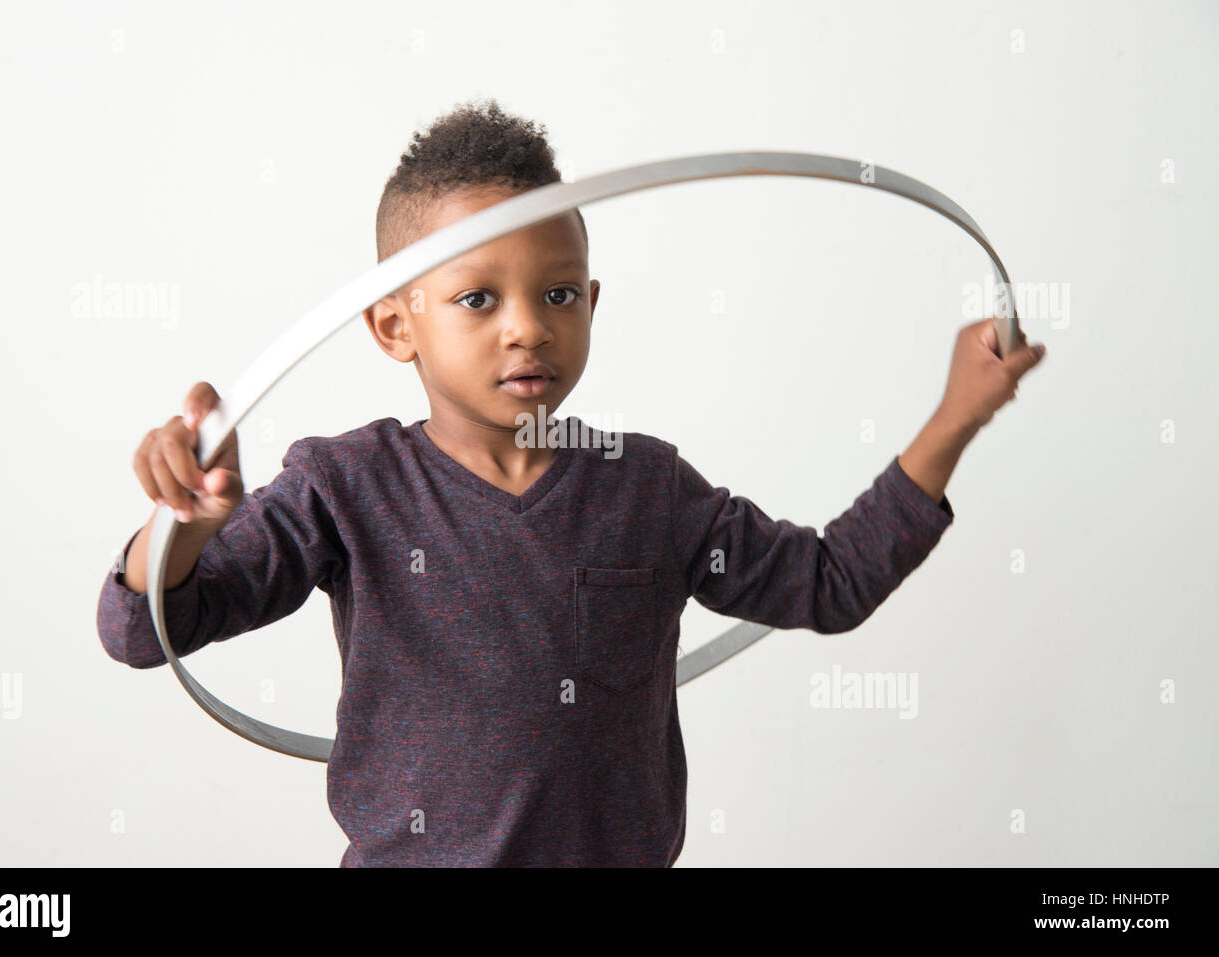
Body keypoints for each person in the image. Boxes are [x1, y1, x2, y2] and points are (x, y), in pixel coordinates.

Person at [96, 97, 1047, 867]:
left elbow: (829, 583)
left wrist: (955, 417)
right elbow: (142, 632)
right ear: (395, 328)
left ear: (591, 303)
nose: (526, 327)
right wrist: (184, 521)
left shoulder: (648, 488)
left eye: (557, 294)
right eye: (478, 298)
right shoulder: (345, 486)